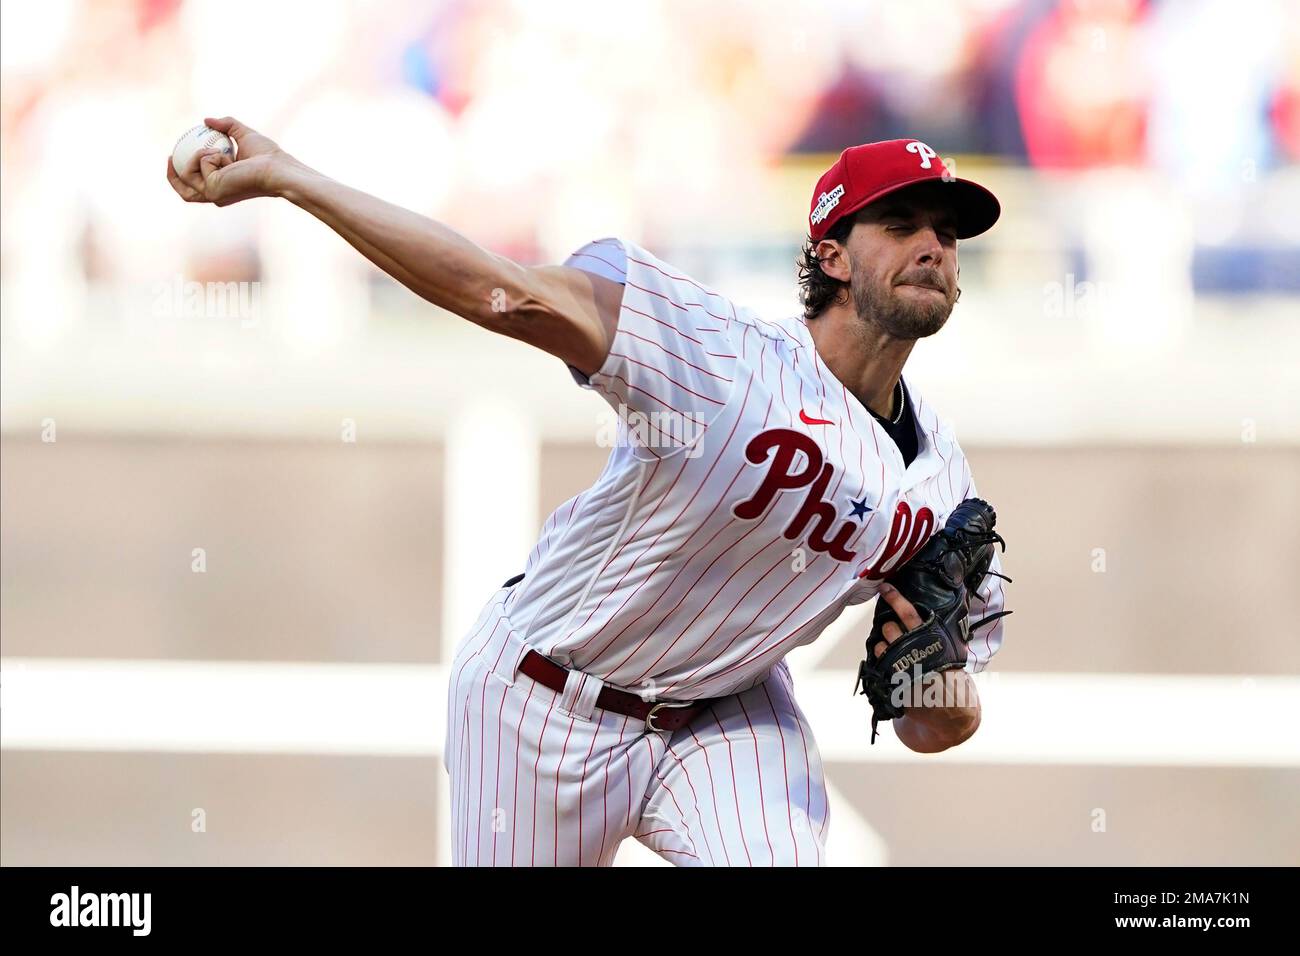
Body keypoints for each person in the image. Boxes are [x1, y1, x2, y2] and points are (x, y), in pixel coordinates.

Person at [168, 123, 1009, 867]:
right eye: (899, 225)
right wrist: (293, 179)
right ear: (830, 254)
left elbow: (936, 727)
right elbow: (507, 292)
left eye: (947, 231)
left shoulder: (944, 485)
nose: (931, 245)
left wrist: (934, 680)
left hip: (726, 717)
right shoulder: (724, 359)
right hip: (543, 700)